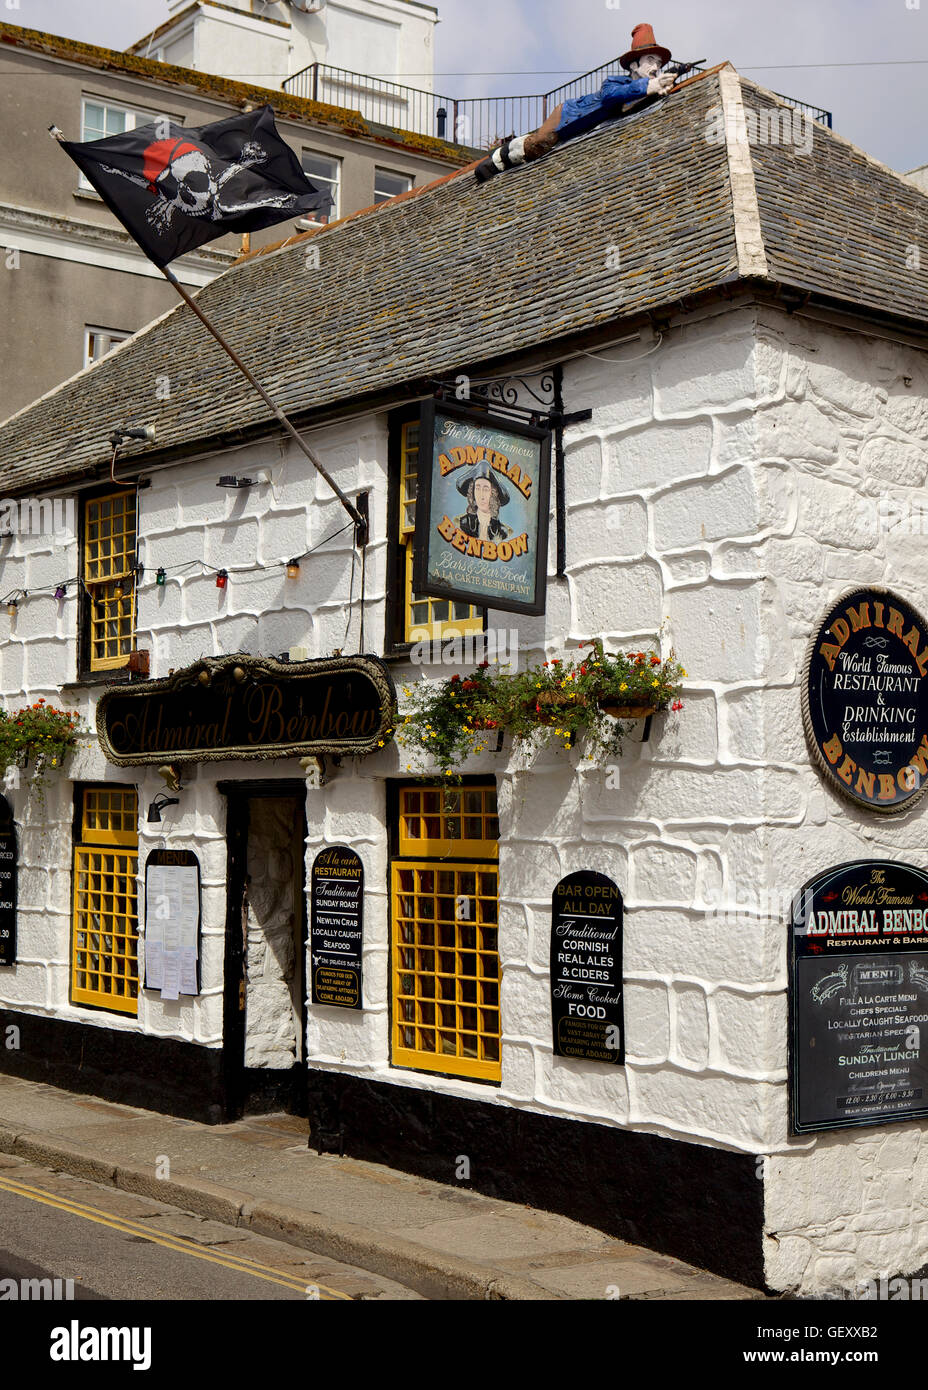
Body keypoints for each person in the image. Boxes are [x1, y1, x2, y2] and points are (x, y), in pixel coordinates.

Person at [475, 23, 675, 183]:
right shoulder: (615, 83)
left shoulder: (644, 87)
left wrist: (658, 88)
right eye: (650, 60)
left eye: (658, 63)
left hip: (581, 125)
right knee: (540, 143)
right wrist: (648, 87)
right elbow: (612, 97)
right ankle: (496, 161)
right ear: (634, 64)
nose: (655, 67)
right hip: (568, 114)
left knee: (541, 143)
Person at [455, 464, 512, 542]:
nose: (481, 495)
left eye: (485, 489)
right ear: (473, 492)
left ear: (493, 494)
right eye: (477, 488)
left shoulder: (502, 531)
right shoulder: (463, 523)